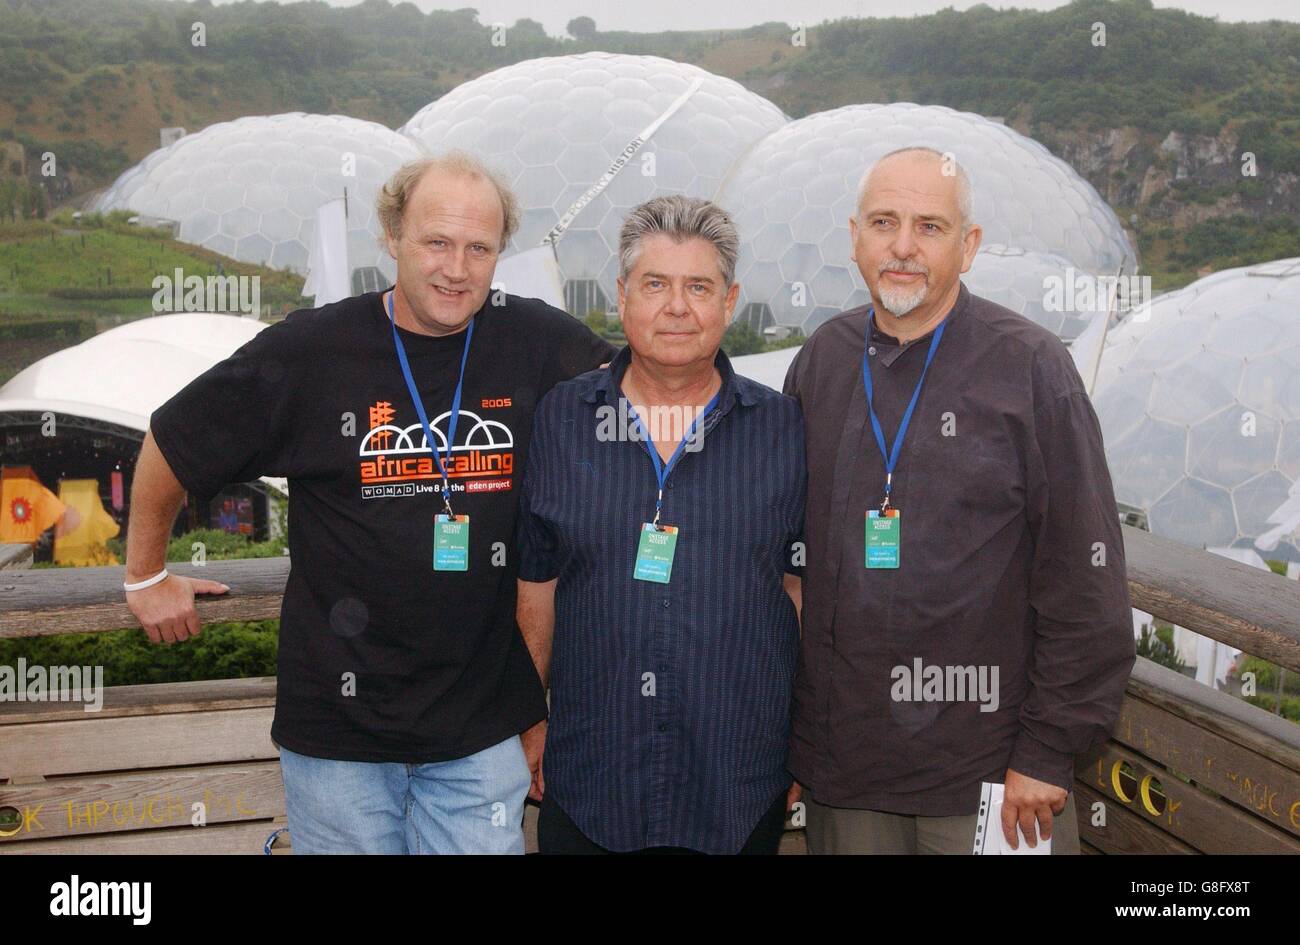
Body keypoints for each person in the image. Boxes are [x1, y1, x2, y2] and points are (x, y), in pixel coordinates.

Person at [124, 151, 615, 854]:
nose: (456, 268)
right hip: (339, 737)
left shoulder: (534, 339)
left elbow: (646, 394)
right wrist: (144, 574)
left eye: (479, 248)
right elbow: (173, 440)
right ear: (392, 237)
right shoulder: (314, 350)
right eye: (436, 242)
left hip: (479, 733)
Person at [784, 146, 1135, 854]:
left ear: (968, 246)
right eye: (884, 222)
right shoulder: (823, 358)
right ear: (855, 237)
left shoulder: (1032, 368)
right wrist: (791, 738)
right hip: (846, 773)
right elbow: (788, 564)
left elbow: (1085, 577)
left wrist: (1046, 749)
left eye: (930, 227)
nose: (903, 246)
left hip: (992, 779)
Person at [515, 195, 806, 854]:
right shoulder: (563, 420)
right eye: (655, 284)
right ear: (622, 296)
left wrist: (804, 736)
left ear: (729, 302)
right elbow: (537, 583)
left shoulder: (783, 428)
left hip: (736, 784)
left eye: (698, 287)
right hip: (592, 784)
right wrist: (530, 716)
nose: (677, 306)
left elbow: (799, 589)